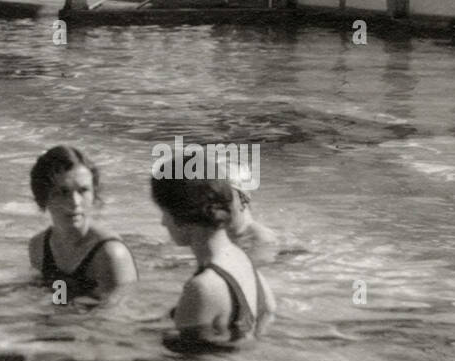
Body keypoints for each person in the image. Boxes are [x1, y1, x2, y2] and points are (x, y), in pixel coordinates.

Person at [151, 176, 275, 348]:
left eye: (165, 212)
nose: (163, 222)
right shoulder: (241, 259)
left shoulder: (202, 287)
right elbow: (268, 310)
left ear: (184, 218)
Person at [27, 146, 137, 299]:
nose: (75, 202)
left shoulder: (110, 255)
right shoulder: (39, 247)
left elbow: (117, 318)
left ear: (94, 193)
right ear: (43, 197)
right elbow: (50, 299)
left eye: (83, 190)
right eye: (63, 192)